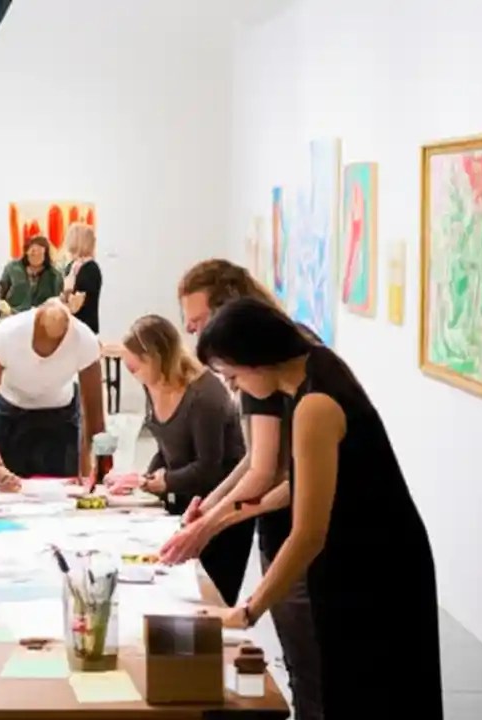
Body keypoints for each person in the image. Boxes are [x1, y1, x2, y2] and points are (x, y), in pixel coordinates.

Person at [189, 297, 443, 718]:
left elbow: (307, 533)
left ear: (255, 359)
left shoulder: (314, 405)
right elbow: (300, 487)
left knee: (371, 690)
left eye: (233, 377)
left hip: (371, 564)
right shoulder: (316, 368)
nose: (235, 390)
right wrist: (228, 514)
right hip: (376, 550)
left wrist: (249, 609)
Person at [160, 258, 323, 720]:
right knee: (305, 667)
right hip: (283, 521)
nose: (194, 337)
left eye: (199, 323)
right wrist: (209, 508)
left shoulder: (273, 373)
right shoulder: (281, 355)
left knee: (311, 669)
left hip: (300, 530)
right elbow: (257, 462)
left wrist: (209, 524)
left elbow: (265, 471)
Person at [108, 315, 250, 605]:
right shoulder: (153, 382)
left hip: (221, 510)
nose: (134, 375)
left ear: (156, 358)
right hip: (184, 504)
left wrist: (162, 482)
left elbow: (209, 468)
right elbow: (167, 447)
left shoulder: (203, 396)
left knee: (208, 601)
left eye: (136, 367)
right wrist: (142, 482)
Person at [0, 298, 106, 489]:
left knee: (60, 495)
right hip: (9, 416)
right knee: (7, 494)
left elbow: (95, 421)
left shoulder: (85, 340)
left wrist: (87, 472)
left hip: (59, 418)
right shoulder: (6, 334)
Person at [0, 235, 63, 316]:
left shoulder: (54, 275)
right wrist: (0, 305)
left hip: (41, 319)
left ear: (46, 254)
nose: (35, 255)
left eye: (39, 252)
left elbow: (58, 301)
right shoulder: (12, 268)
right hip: (13, 316)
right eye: (32, 251)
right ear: (26, 252)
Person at [60, 223, 102, 334]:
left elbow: (77, 303)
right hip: (71, 325)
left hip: (84, 327)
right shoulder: (71, 266)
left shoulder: (91, 269)